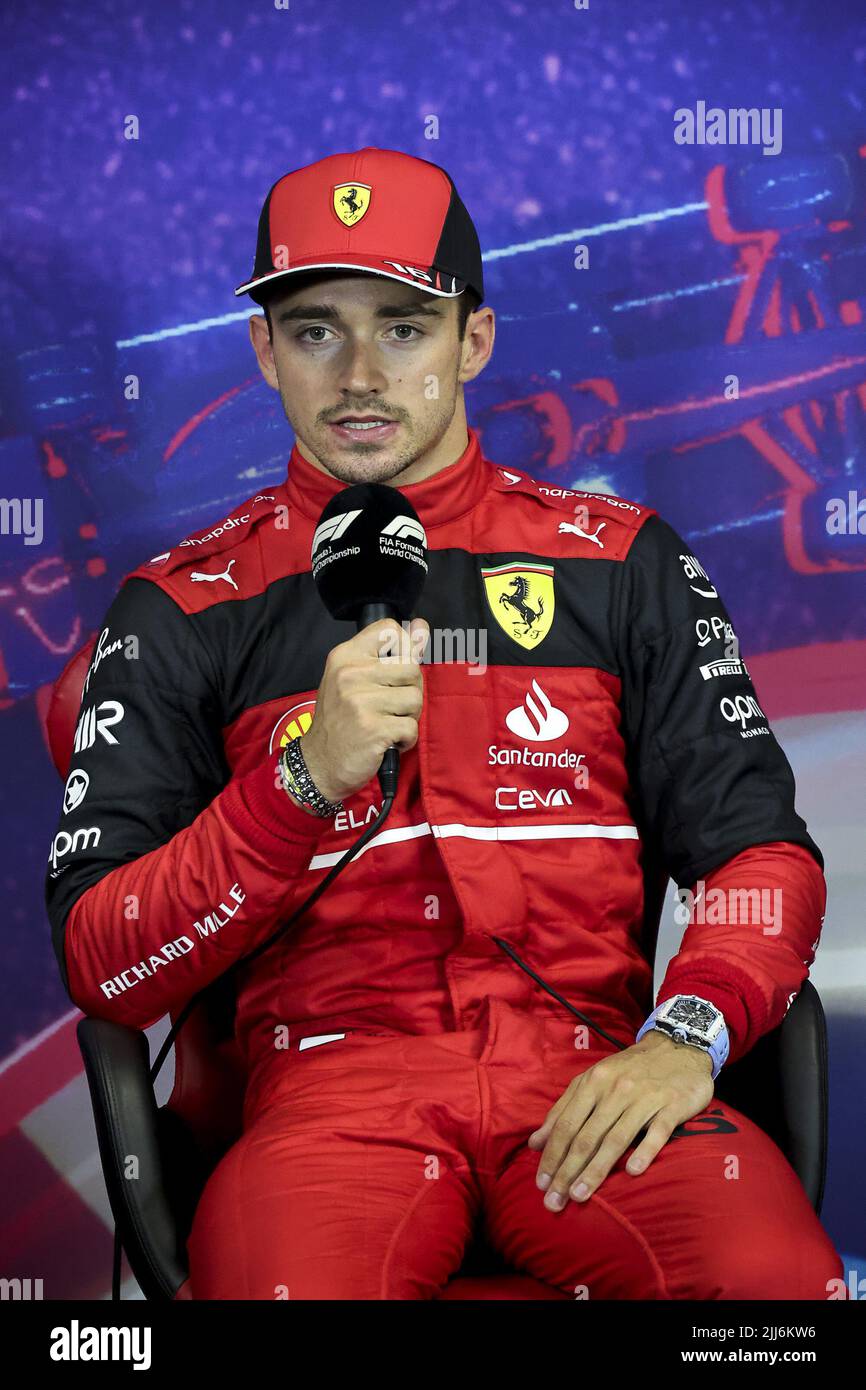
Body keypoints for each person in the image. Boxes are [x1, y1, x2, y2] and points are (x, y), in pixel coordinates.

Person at [46, 146, 845, 1300]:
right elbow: (108, 966)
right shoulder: (177, 609)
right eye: (317, 329)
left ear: (472, 340)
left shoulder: (622, 565)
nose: (360, 372)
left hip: (585, 1081)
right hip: (323, 1110)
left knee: (772, 1294)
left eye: (405, 328)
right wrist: (300, 781)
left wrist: (686, 1033)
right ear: (264, 351)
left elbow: (758, 861)